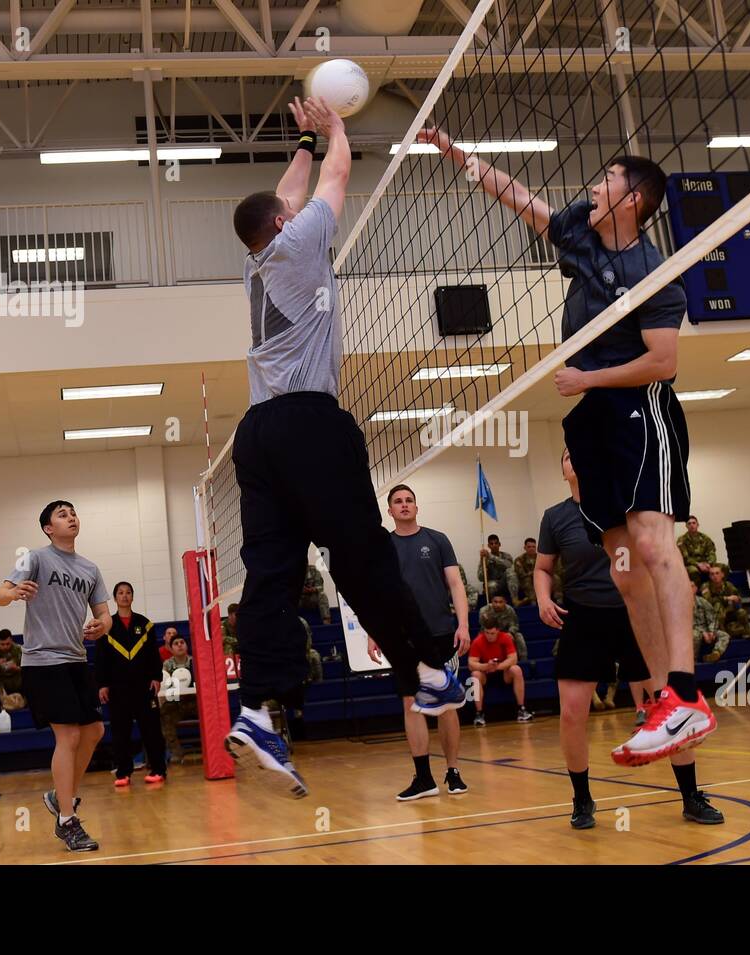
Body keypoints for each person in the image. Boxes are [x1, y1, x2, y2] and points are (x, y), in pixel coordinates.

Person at [418, 125, 714, 765]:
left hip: (639, 410)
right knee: (626, 569)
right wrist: (455, 151)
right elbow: (520, 199)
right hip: (592, 420)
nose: (595, 186)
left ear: (633, 199)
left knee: (654, 546)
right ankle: (663, 701)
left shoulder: (655, 271)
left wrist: (588, 378)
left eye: (608, 179)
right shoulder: (582, 232)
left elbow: (663, 362)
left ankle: (688, 692)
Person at [226, 96, 464, 797]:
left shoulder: (258, 259)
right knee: (362, 556)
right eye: (287, 211)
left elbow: (290, 192)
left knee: (271, 575)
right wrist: (335, 132)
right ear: (283, 224)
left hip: (257, 434)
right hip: (309, 424)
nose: (294, 209)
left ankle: (258, 707)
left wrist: (301, 139)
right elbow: (333, 180)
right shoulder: (299, 243)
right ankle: (426, 667)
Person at [536, 447, 720, 828]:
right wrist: (542, 598)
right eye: (567, 456)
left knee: (668, 704)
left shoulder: (623, 505)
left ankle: (691, 796)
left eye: (579, 453)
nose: (575, 458)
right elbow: (543, 568)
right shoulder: (555, 517)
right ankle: (582, 799)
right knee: (571, 712)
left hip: (637, 613)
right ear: (563, 471)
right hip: (583, 616)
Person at [0, 500, 111, 852]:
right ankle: (67, 819)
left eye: (73, 512)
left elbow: (104, 614)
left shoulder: (90, 568)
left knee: (94, 731)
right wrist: (14, 592)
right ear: (48, 528)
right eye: (62, 514)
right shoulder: (33, 558)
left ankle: (60, 796)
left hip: (76, 659)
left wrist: (101, 626)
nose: (71, 517)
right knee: (69, 735)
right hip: (43, 661)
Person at [377, 484, 471, 801]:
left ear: (416, 507)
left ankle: (453, 772)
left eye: (409, 500)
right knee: (411, 703)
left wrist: (463, 625)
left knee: (445, 704)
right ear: (390, 510)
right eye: (398, 501)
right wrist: (373, 633)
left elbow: (455, 584)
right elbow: (379, 595)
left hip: (440, 633)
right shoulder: (385, 546)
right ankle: (424, 778)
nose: (404, 505)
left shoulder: (437, 539)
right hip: (403, 638)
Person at [96, 581, 167, 786]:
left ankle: (158, 769)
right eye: (120, 592)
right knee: (120, 732)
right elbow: (101, 658)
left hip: (144, 687)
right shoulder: (106, 626)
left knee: (152, 730)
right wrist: (102, 684)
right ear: (115, 598)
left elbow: (153, 654)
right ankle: (123, 773)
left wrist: (156, 677)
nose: (125, 596)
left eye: (128, 592)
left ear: (132, 597)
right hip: (118, 689)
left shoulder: (145, 625)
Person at [468, 619, 532, 726]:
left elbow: (513, 659)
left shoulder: (505, 638)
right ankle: (479, 713)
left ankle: (522, 709)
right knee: (474, 675)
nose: (489, 636)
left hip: (503, 672)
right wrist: (486, 666)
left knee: (516, 669)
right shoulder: (478, 641)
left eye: (492, 633)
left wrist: (496, 667)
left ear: (498, 631)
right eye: (487, 633)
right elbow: (471, 664)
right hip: (486, 674)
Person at [160, 633, 197, 765]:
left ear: (186, 645)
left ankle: (211, 748)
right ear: (171, 648)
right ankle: (176, 752)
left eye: (182, 642)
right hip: (176, 703)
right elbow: (164, 686)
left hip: (195, 702)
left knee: (210, 711)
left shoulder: (195, 662)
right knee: (164, 714)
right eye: (176, 644)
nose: (180, 645)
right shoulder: (167, 665)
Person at [703, 565, 750, 639]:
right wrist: (726, 598)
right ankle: (724, 636)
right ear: (709, 576)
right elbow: (707, 601)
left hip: (729, 612)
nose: (715, 576)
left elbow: (737, 597)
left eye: (717, 573)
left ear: (722, 575)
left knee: (742, 612)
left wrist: (736, 599)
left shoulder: (728, 585)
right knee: (718, 606)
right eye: (712, 574)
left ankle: (747, 633)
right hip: (714, 616)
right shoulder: (706, 586)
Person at [690, 579, 729, 667]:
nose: (690, 589)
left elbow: (712, 618)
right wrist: (702, 632)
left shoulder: (702, 601)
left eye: (692, 586)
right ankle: (693, 660)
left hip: (705, 629)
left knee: (724, 635)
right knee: (695, 635)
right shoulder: (681, 604)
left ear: (696, 588)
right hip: (691, 630)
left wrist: (711, 631)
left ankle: (715, 654)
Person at [478, 593, 527, 662]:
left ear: (505, 602)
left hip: (505, 633)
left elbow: (514, 625)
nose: (498, 604)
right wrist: (486, 620)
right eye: (495, 602)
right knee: (479, 638)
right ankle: (481, 660)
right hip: (489, 633)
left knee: (519, 636)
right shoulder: (484, 611)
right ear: (491, 602)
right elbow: (483, 627)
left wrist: (510, 633)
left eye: (500, 602)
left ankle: (523, 660)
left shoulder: (509, 610)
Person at [477, 534, 519, 604]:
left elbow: (509, 565)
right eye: (491, 544)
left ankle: (515, 600)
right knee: (491, 585)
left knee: (510, 572)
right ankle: (494, 604)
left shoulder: (506, 555)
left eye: (496, 543)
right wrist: (482, 562)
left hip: (505, 583)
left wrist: (491, 557)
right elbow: (480, 578)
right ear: (488, 546)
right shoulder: (485, 559)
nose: (494, 545)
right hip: (493, 584)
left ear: (499, 544)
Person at [677, 517, 717, 586]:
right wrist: (698, 564)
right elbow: (685, 558)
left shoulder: (705, 538)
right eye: (689, 523)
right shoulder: (682, 540)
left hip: (706, 563)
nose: (692, 525)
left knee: (723, 568)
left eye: (694, 523)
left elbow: (712, 553)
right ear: (686, 526)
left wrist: (709, 564)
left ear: (697, 525)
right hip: (691, 565)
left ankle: (718, 589)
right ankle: (697, 590)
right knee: (693, 571)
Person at [513, 539, 539, 606]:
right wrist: (532, 573)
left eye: (533, 547)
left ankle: (559, 600)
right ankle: (533, 602)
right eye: (529, 547)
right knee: (527, 580)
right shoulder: (519, 559)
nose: (531, 549)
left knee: (555, 578)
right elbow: (521, 575)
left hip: (538, 578)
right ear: (525, 548)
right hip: (524, 581)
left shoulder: (540, 558)